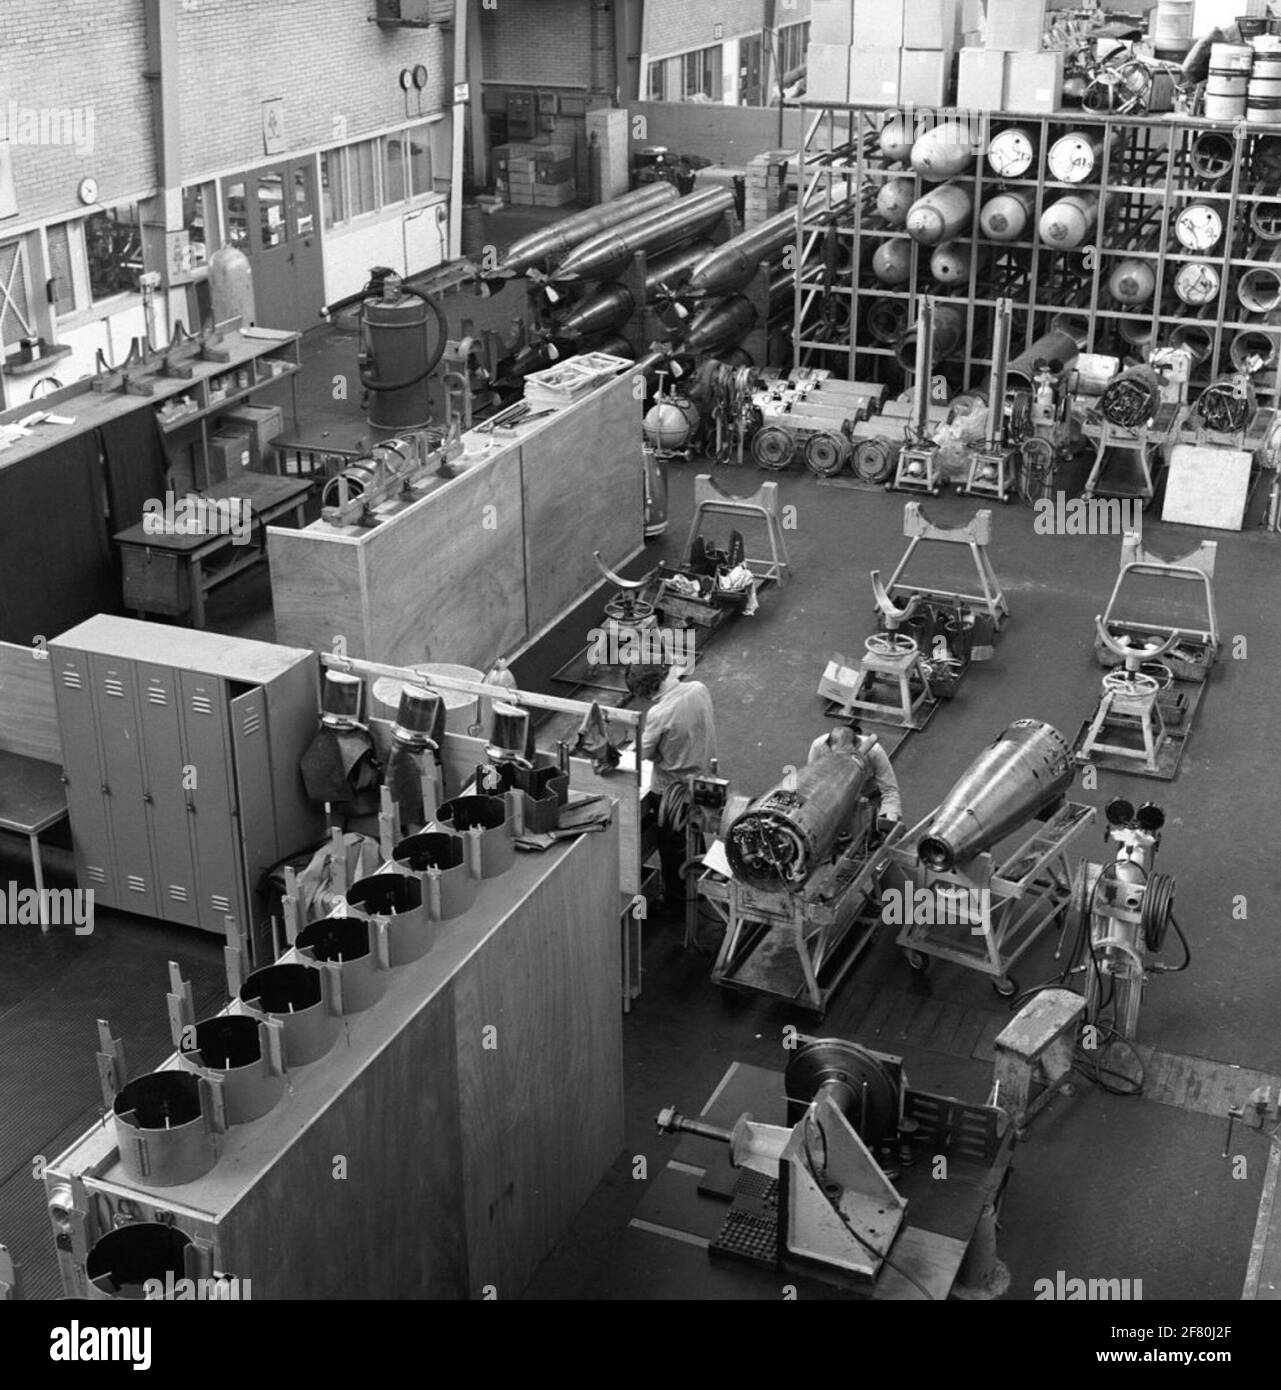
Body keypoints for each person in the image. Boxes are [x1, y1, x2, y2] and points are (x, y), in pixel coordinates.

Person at [632, 660, 718, 913]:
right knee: (695, 833)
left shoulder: (660, 713)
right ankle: (700, 886)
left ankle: (678, 903)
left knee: (672, 848)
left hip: (672, 790)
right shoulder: (699, 689)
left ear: (648, 690)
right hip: (705, 779)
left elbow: (643, 753)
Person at [807, 719, 902, 830]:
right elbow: (813, 784)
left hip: (870, 796)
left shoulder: (874, 752)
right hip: (837, 797)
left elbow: (890, 791)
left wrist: (888, 824)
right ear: (829, 748)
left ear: (858, 747)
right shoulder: (818, 747)